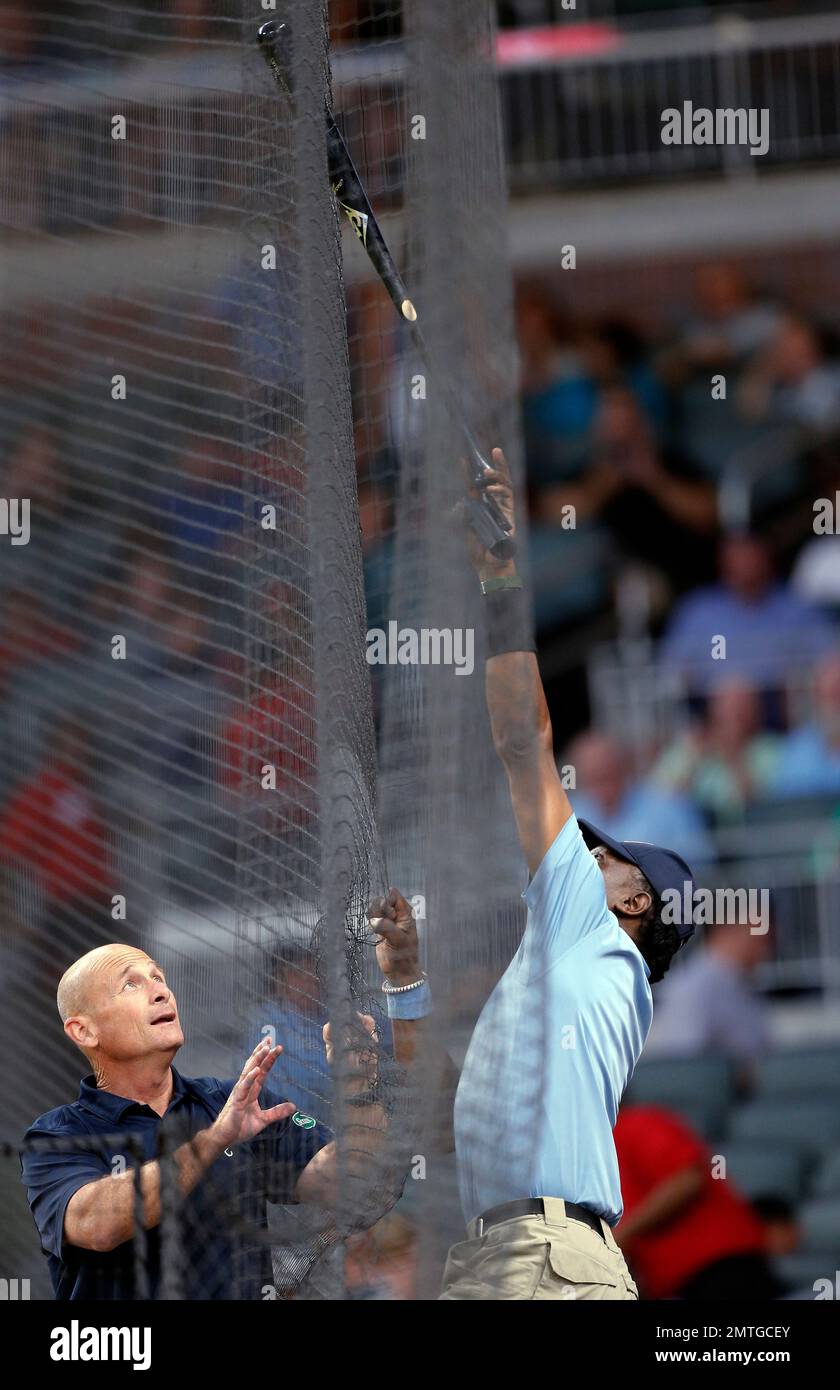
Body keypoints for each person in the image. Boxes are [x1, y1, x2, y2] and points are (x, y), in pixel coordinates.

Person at [438, 449, 698, 1301]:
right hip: (507, 1253)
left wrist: (502, 582)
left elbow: (525, 744)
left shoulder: (588, 923)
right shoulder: (568, 952)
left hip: (544, 1259)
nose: (589, 851)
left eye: (610, 854)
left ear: (634, 902)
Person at [19, 892, 426, 1300]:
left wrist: (359, 1085)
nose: (161, 992)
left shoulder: (232, 1100)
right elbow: (97, 1226)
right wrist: (216, 1139)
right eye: (130, 984)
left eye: (159, 978)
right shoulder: (57, 1135)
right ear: (83, 1031)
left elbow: (359, 1185)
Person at [613, 1103, 783, 1300]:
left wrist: (622, 1235)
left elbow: (687, 1179)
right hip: (678, 1282)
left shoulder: (636, 1124)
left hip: (720, 1266)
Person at [644, 920, 769, 1090]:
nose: (768, 939)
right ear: (727, 930)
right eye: (757, 928)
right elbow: (684, 1070)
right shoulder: (693, 988)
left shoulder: (743, 984)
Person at [570, 728, 716, 865]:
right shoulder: (571, 820)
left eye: (607, 775)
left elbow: (699, 862)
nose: (601, 789)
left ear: (624, 768)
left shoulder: (669, 807)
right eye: (592, 780)